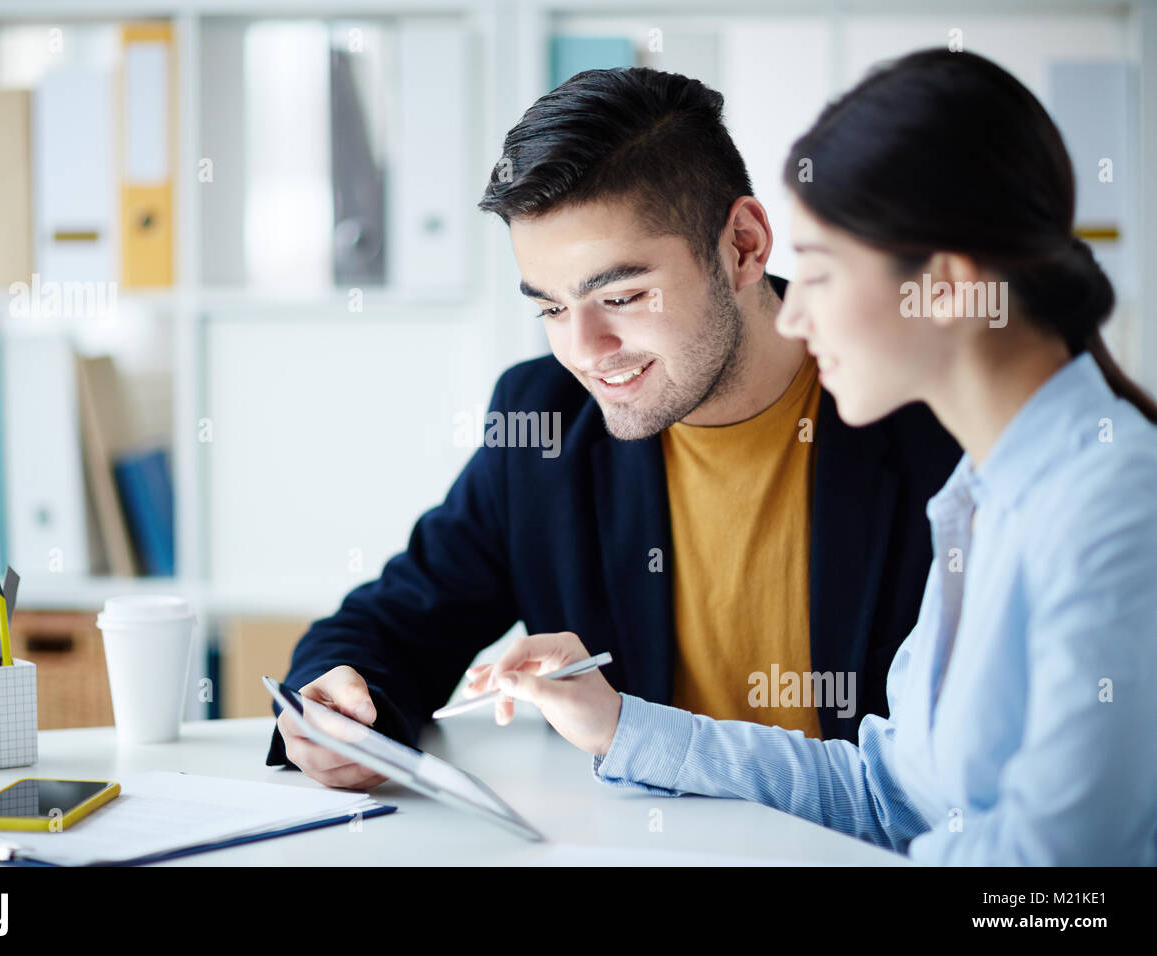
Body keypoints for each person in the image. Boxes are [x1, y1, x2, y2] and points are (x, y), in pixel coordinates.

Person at [469, 49, 1157, 865]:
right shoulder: (982, 493)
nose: (793, 320)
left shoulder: (1115, 508)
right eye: (553, 307)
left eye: (821, 273)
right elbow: (886, 798)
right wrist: (620, 726)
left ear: (944, 286)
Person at [268, 67, 960, 789]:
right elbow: (393, 626)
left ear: (744, 246)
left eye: (622, 296)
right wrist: (342, 706)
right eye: (551, 308)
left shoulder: (919, 408)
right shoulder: (543, 422)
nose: (583, 351)